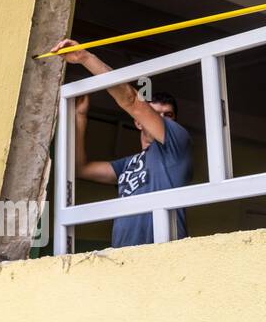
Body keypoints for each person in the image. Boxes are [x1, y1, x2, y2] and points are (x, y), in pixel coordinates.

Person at [50, 39, 192, 246]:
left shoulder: (177, 142)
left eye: (167, 115)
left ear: (174, 121)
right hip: (123, 255)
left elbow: (132, 100)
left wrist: (85, 58)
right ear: (139, 123)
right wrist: (80, 117)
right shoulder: (129, 163)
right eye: (154, 113)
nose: (160, 119)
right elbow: (81, 168)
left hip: (163, 254)